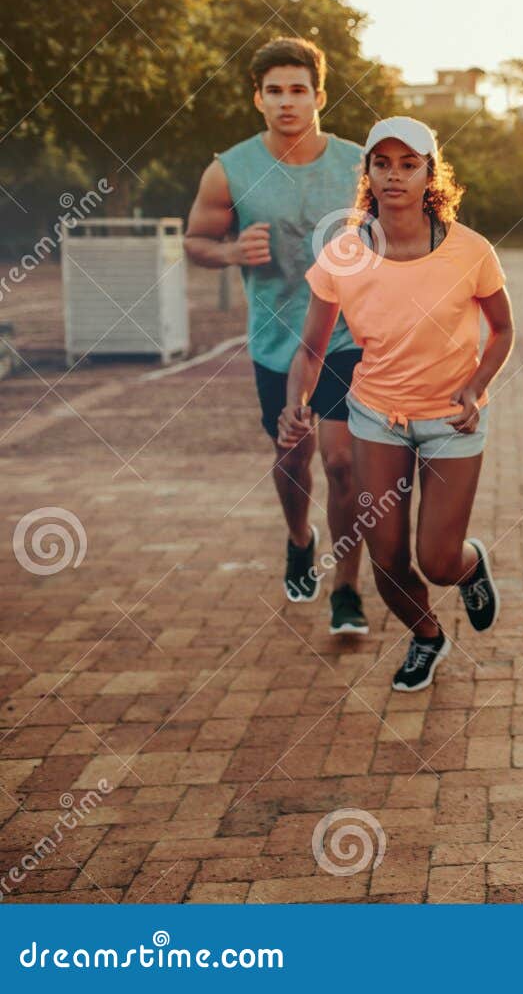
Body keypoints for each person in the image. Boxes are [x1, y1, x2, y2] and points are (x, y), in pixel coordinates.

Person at [278, 117, 513, 692]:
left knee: (436, 559)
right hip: (376, 417)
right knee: (386, 556)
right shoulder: (344, 255)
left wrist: (475, 386)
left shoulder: (469, 249)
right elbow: (311, 346)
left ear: (431, 174)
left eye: (409, 164)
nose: (395, 175)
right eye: (382, 164)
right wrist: (295, 404)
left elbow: (503, 331)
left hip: (451, 422)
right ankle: (427, 635)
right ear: (368, 173)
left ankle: (468, 564)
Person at [184, 37, 370, 633]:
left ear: (319, 95)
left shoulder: (360, 163)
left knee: (343, 462)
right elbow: (195, 242)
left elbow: (402, 230)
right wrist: (232, 250)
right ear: (258, 99)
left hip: (346, 338)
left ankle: (346, 588)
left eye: (298, 90)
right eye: (274, 91)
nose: (287, 102)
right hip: (275, 341)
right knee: (294, 457)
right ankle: (299, 536)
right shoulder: (230, 168)